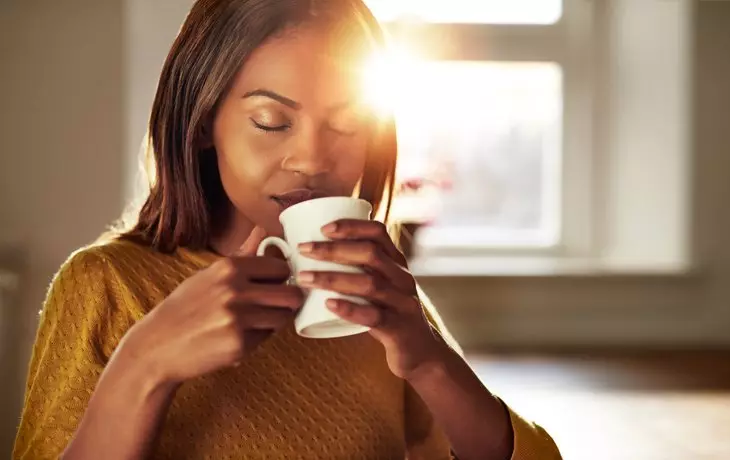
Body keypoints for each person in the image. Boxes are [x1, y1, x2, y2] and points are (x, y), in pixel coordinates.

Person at [13, 0, 561, 459]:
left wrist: (428, 358)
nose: (312, 159)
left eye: (348, 124)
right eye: (272, 122)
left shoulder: (375, 292)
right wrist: (147, 362)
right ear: (204, 121)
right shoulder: (104, 286)